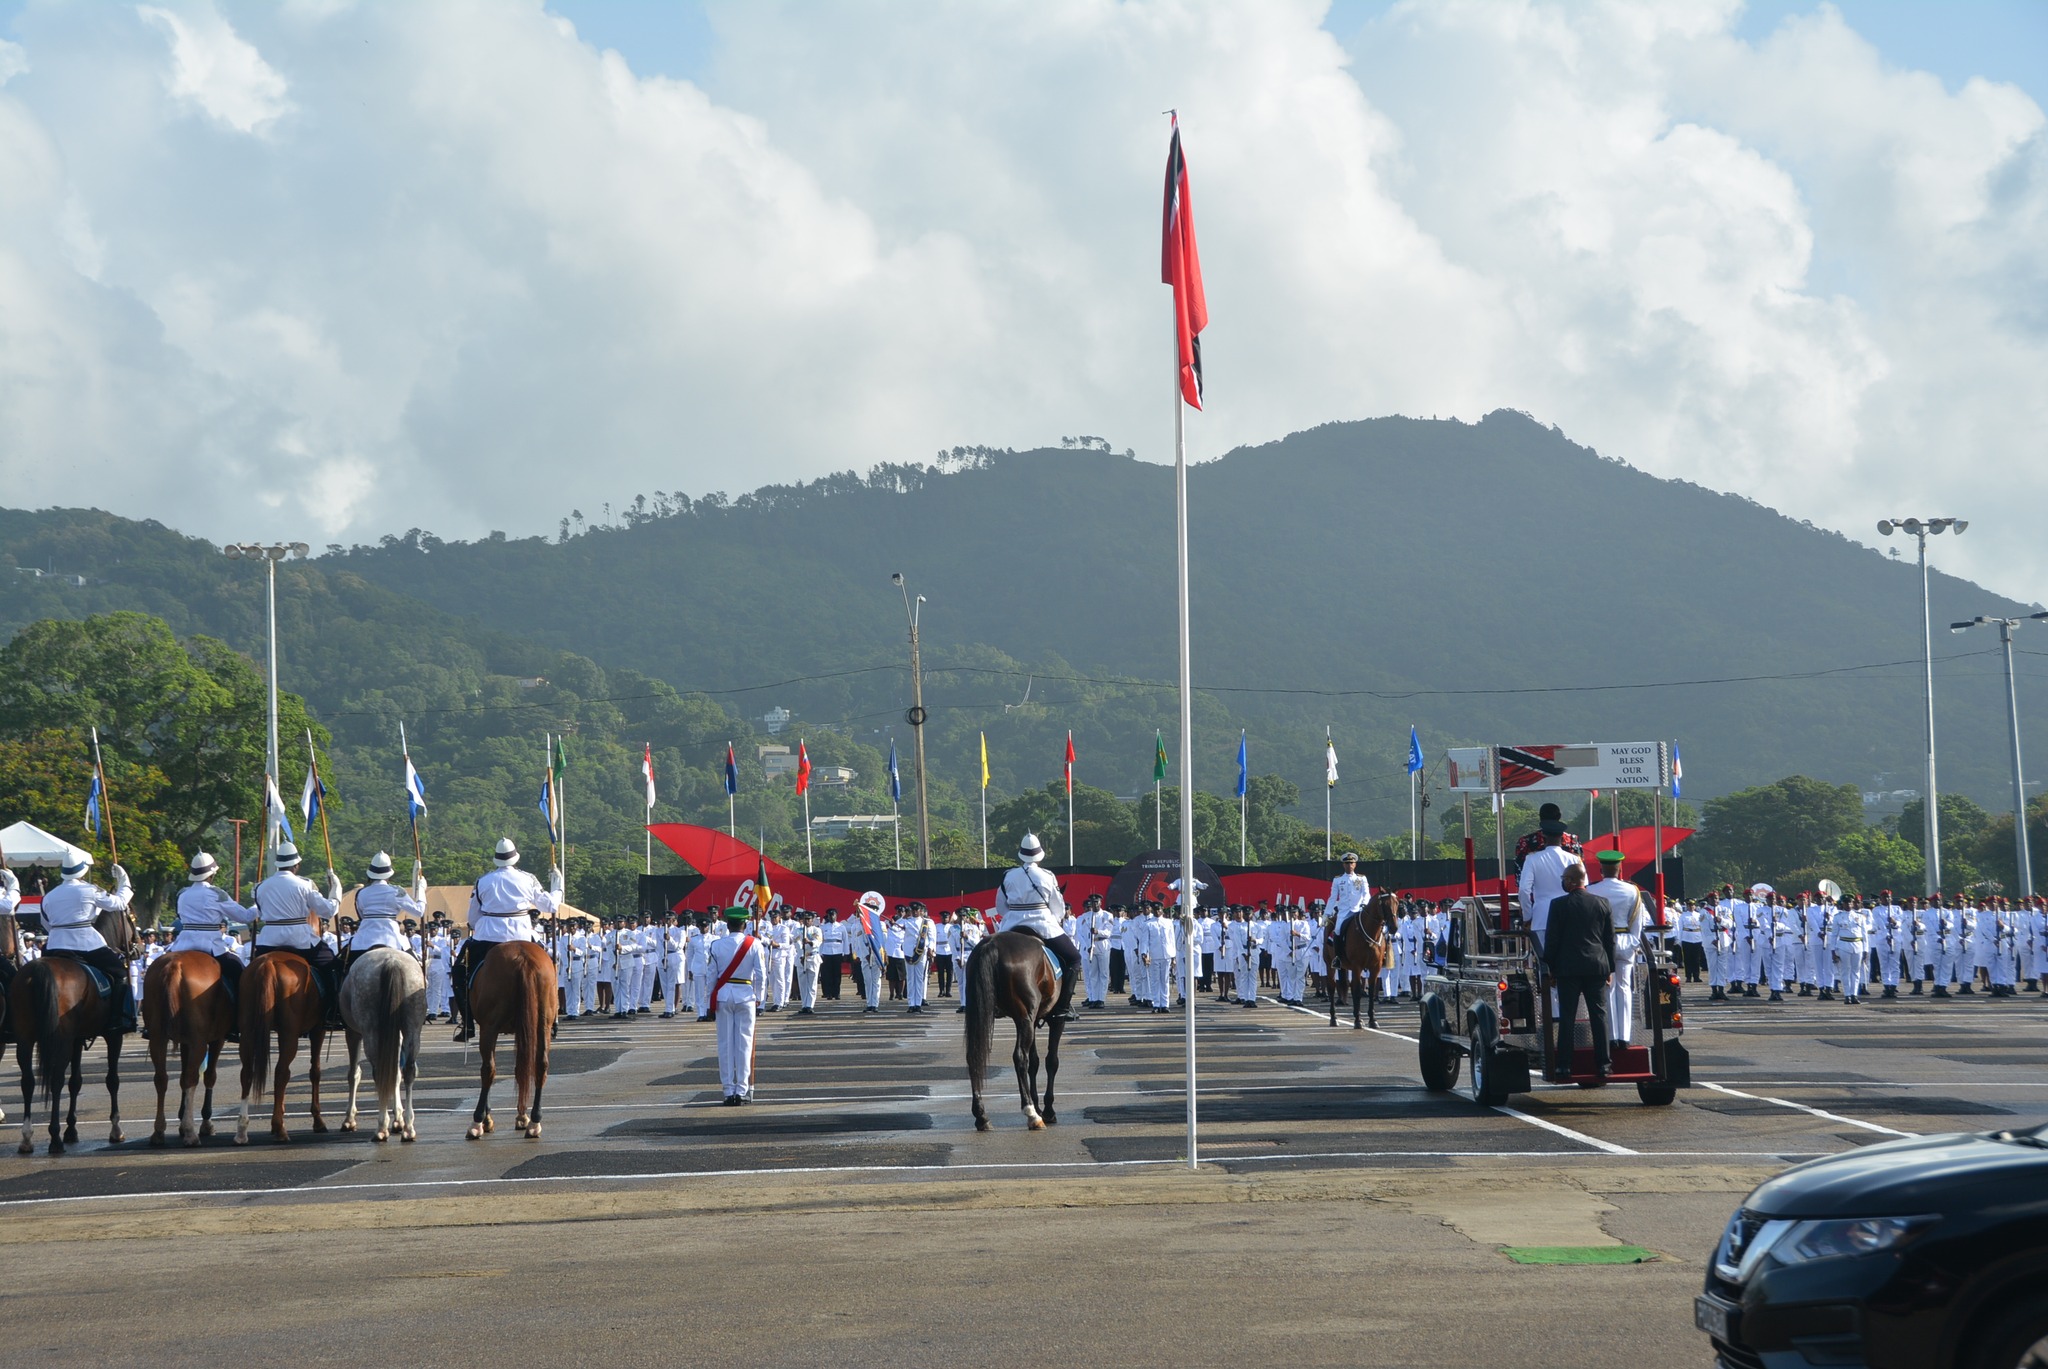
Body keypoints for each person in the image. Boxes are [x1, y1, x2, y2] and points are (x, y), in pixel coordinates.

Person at [453, 837, 561, 1041]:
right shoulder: (528, 879)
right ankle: (552, 1019)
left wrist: (483, 927)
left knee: (459, 972)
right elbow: (551, 906)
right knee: (550, 967)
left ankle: (467, 1024)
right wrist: (558, 888)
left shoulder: (483, 881)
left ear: (496, 859)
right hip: (524, 935)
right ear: (515, 858)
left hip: (488, 937)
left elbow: (473, 919)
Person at [39, 851, 137, 1033]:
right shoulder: (90, 890)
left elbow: (45, 924)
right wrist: (124, 881)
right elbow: (120, 903)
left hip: (54, 945)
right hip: (86, 944)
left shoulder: (49, 896)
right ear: (82, 872)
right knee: (120, 973)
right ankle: (119, 1018)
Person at [992, 832, 1081, 1021]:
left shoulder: (1008, 876)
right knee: (1074, 958)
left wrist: (1014, 915)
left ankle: (995, 1002)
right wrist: (1055, 919)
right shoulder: (1048, 875)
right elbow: (1058, 907)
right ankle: (1063, 1007)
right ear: (1040, 854)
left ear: (1021, 854)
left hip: (1012, 924)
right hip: (1043, 923)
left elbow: (1001, 906)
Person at [1540, 863, 1616, 1080]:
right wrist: (1609, 968)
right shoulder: (1602, 903)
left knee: (1567, 1018)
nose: (1563, 881)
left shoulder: (1559, 905)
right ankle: (1603, 1064)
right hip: (1596, 966)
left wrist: (1550, 968)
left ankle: (1564, 1066)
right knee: (1599, 1017)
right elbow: (1609, 940)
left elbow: (1551, 940)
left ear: (1572, 880)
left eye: (1564, 878)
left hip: (1568, 968)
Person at [167, 851, 249, 999]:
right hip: (210, 945)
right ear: (211, 875)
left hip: (182, 944)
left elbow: (180, 916)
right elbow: (244, 917)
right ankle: (239, 1014)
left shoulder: (182, 894)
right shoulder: (216, 893)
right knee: (237, 969)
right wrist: (257, 906)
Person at [702, 906, 763, 1104]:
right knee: (744, 1044)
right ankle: (742, 1090)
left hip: (723, 994)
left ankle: (728, 1091)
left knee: (725, 1044)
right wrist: (760, 998)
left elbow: (711, 976)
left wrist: (709, 1002)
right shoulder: (755, 943)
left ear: (727, 925)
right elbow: (761, 975)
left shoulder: (717, 945)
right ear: (744, 924)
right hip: (745, 994)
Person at [1587, 849, 1647, 1048]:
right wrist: (1632, 943)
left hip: (1601, 944)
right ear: (1619, 868)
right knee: (1624, 988)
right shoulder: (1632, 891)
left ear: (1601, 868)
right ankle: (1624, 1036)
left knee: (1607, 989)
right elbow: (1638, 922)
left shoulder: (1591, 890)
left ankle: (1611, 1036)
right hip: (1625, 940)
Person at [344, 851, 425, 978]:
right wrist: (421, 891)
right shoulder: (397, 891)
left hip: (364, 941)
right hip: (393, 939)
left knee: (343, 970)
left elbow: (361, 916)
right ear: (389, 874)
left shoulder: (361, 893)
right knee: (418, 970)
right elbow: (419, 911)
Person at [1516, 818, 1583, 940]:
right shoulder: (1574, 859)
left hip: (1542, 917)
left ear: (1543, 837)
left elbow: (1524, 890)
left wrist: (1528, 917)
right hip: (1570, 917)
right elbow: (1584, 888)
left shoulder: (1532, 859)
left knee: (1544, 957)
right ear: (1562, 838)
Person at [1326, 853, 1372, 941]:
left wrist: (1364, 904)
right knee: (1338, 930)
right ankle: (1338, 954)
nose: (1349, 865)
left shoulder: (1361, 878)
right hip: (1344, 912)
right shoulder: (1338, 879)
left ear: (1355, 864)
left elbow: (1366, 894)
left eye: (1351, 863)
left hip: (1358, 911)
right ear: (1343, 865)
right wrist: (1326, 914)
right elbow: (1333, 897)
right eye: (1347, 863)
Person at [795, 910, 824, 1014]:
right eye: (805, 919)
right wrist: (802, 954)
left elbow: (818, 941)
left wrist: (810, 942)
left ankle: (810, 1005)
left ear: (812, 920)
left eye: (809, 919)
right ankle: (804, 1005)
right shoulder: (798, 930)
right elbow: (797, 943)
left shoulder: (816, 930)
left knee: (812, 983)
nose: (807, 921)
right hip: (801, 959)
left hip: (813, 958)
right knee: (802, 984)